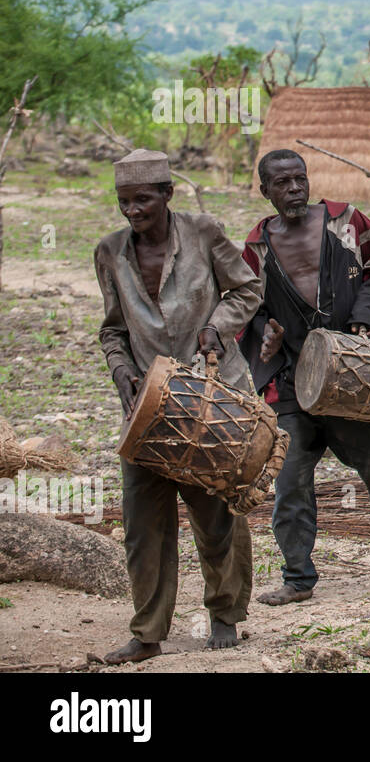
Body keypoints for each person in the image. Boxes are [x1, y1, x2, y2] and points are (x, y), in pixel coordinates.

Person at [94, 149, 262, 664]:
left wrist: (217, 325)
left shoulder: (204, 231)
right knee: (143, 524)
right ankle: (147, 632)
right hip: (149, 407)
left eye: (142, 199)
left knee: (215, 512)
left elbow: (248, 289)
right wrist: (121, 368)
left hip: (212, 398)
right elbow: (112, 330)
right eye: (124, 201)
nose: (132, 211)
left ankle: (225, 614)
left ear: (168, 194)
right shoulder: (110, 252)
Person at [239, 150, 370, 604]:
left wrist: (364, 319)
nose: (294, 189)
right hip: (288, 382)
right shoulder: (257, 246)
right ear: (265, 191)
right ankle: (298, 577)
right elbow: (242, 304)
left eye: (299, 179)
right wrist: (266, 334)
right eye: (282, 183)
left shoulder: (345, 222)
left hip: (349, 374)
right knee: (290, 482)